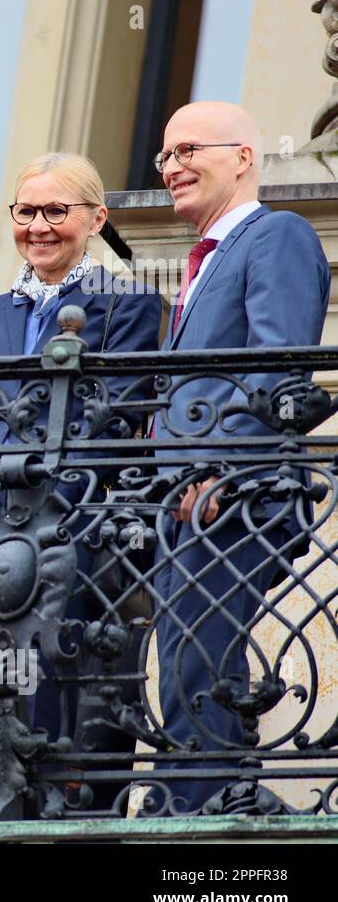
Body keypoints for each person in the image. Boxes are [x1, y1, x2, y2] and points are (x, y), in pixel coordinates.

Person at [0, 152, 162, 818]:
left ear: (96, 218)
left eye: (58, 211)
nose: (40, 226)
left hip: (63, 542)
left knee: (52, 714)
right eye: (27, 212)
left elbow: (111, 424)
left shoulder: (131, 306)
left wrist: (41, 520)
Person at [150, 102, 330, 813]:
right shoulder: (203, 262)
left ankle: (204, 803)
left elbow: (278, 359)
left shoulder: (275, 235)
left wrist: (221, 468)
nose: (172, 167)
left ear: (245, 156)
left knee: (198, 645)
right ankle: (199, 791)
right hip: (187, 499)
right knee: (189, 647)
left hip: (232, 493)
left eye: (189, 149)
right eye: (165, 155)